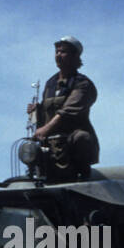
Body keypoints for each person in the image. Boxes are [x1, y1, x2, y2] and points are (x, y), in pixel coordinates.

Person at [28, 36, 99, 181]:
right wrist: (38, 109)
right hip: (51, 143)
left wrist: (46, 129)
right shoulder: (50, 83)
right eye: (57, 52)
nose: (58, 55)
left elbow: (68, 111)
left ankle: (82, 176)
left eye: (63, 52)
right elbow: (50, 110)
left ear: (75, 56)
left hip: (71, 141)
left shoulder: (83, 84)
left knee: (81, 138)